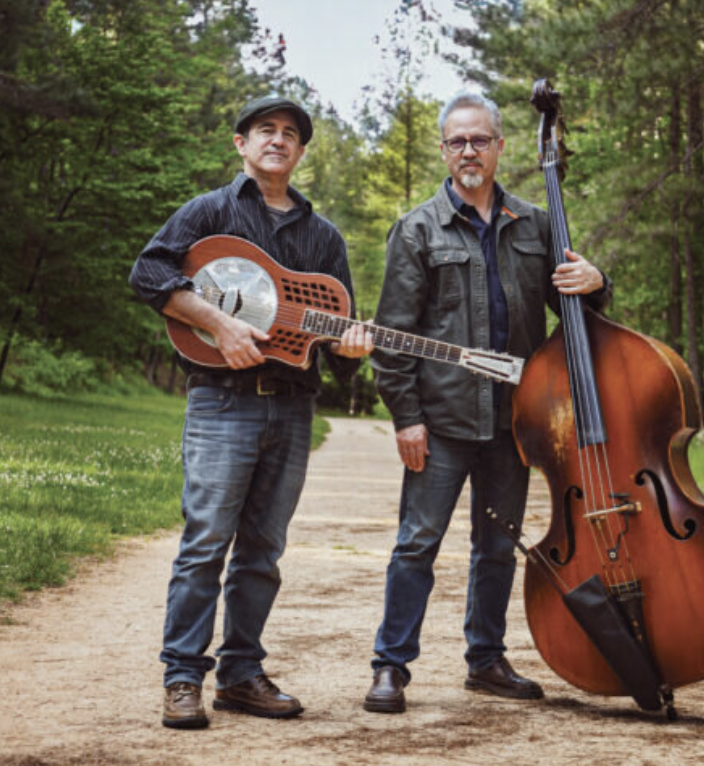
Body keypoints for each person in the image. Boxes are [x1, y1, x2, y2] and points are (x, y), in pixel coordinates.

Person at [362, 91, 613, 713]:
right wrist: (407, 419)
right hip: (441, 423)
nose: (468, 151)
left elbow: (578, 315)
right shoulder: (418, 228)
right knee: (417, 544)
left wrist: (598, 282)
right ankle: (391, 666)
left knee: (497, 547)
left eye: (480, 139)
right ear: (444, 151)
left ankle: (486, 660)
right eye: (457, 141)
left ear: (500, 147)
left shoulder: (536, 223)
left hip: (515, 424)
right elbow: (392, 337)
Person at [129, 95, 373, 730]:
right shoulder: (210, 213)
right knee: (206, 541)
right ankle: (182, 677)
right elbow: (148, 272)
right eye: (266, 129)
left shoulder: (323, 237)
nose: (278, 140)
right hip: (221, 402)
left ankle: (240, 676)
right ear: (241, 143)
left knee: (263, 550)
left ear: (300, 152)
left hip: (292, 409)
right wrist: (217, 323)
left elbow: (339, 359)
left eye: (291, 134)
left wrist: (353, 349)